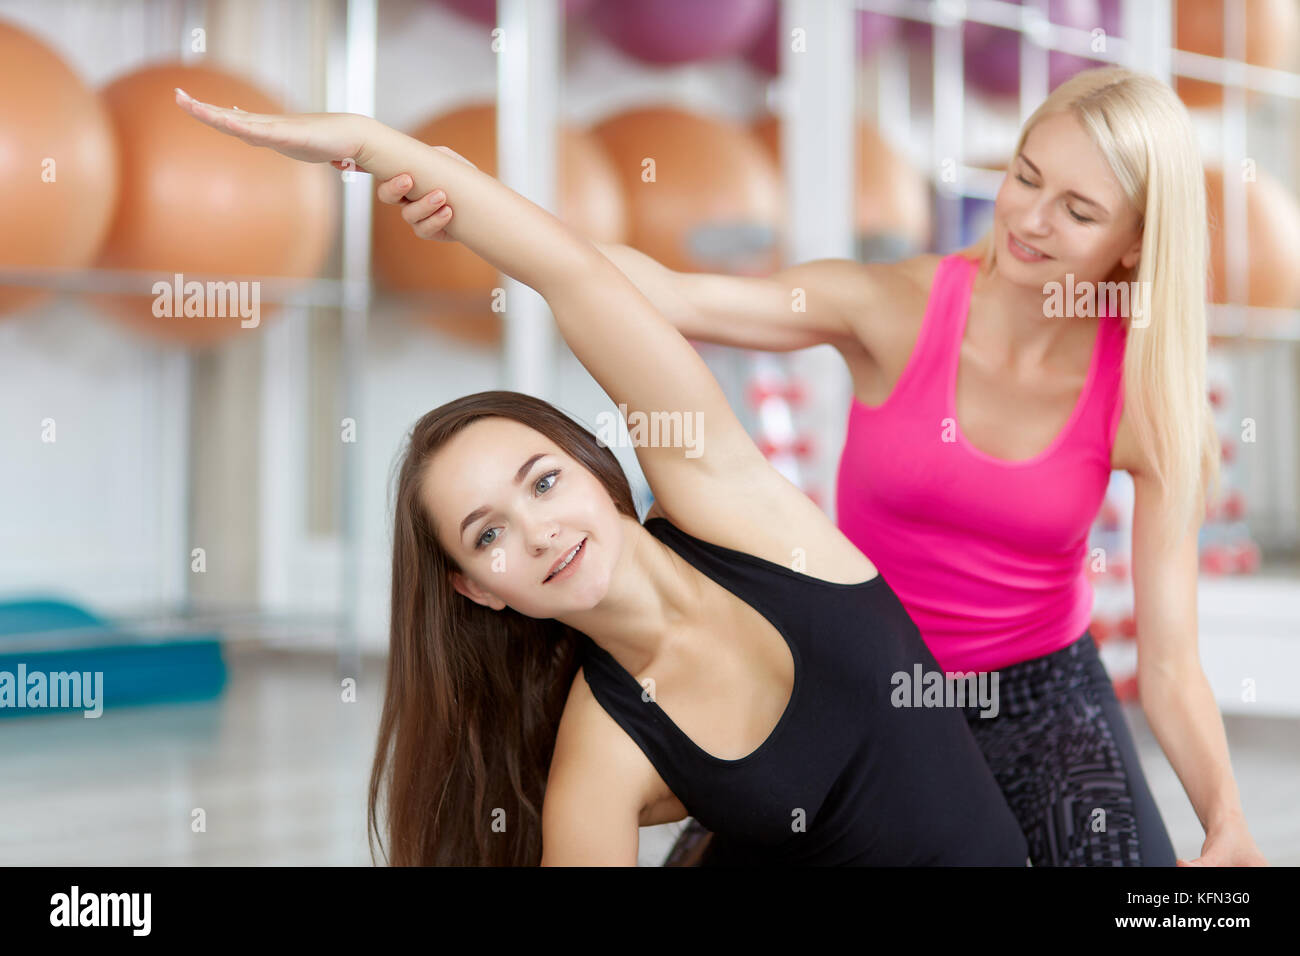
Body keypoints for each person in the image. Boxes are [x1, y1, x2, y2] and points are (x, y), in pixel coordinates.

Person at [384, 65, 1266, 867]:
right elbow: (673, 299)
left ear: (1134, 244)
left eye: (1078, 210)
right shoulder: (896, 304)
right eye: (1025, 176)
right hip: (855, 674)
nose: (1030, 220)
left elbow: (1172, 660)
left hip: (1037, 692)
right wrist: (483, 221)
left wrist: (1225, 818)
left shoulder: (1145, 399)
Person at [175, 88, 1032, 867]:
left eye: (542, 483)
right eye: (488, 534)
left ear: (597, 469)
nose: (537, 530)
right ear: (478, 591)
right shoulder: (603, 750)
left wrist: (374, 143)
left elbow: (575, 276)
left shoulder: (732, 513)